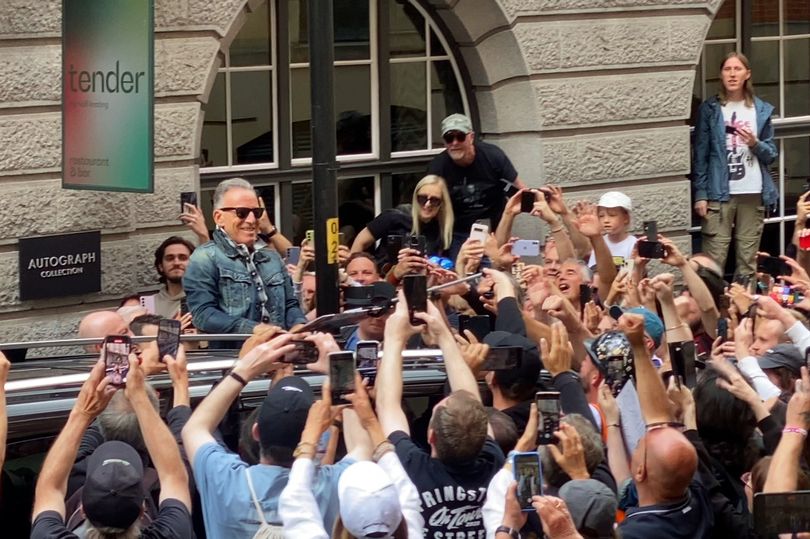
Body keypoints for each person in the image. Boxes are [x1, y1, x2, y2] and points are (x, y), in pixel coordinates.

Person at [181, 331, 366, 536]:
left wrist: (244, 368)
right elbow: (363, 447)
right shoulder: (337, 484)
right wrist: (339, 367)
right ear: (318, 436)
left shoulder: (225, 479)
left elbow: (194, 428)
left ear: (256, 432)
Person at [375, 291, 505, 537]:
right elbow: (469, 398)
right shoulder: (493, 464)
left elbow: (387, 405)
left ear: (431, 436)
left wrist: (393, 338)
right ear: (484, 436)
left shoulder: (414, 468)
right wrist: (444, 336)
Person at [31, 355, 193, 539]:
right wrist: (139, 397)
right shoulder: (172, 534)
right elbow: (173, 475)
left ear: (82, 509)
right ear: (142, 510)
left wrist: (82, 413)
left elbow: (49, 488)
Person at [182, 178, 306, 335]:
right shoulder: (204, 258)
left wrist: (299, 325)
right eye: (242, 213)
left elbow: (291, 304)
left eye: (257, 212)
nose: (252, 220)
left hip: (279, 352)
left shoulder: (271, 257)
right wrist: (254, 329)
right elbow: (203, 315)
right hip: (234, 356)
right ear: (219, 217)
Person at [693, 51, 778, 278]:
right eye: (727, 69)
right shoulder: (710, 110)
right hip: (719, 195)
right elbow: (700, 154)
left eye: (737, 69)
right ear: (721, 75)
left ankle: (744, 312)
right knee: (713, 263)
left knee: (747, 262)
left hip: (753, 192)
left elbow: (771, 155)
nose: (732, 74)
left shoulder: (760, 110)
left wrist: (754, 143)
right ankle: (713, 311)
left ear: (747, 74)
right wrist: (700, 194)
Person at [428, 113, 526, 259]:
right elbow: (428, 204)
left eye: (460, 136)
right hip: (458, 232)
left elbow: (520, 189)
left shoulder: (492, 156)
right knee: (463, 274)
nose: (454, 143)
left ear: (471, 137)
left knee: (497, 270)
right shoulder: (438, 167)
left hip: (494, 230)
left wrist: (535, 202)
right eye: (449, 138)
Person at [588, 191, 637, 268]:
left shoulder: (633, 244)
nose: (606, 220)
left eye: (612, 215)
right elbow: (592, 269)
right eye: (601, 216)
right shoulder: (600, 243)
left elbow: (630, 271)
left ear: (626, 218)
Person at [152, 236, 195, 318]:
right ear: (161, 266)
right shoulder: (149, 305)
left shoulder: (205, 300)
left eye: (183, 258)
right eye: (170, 258)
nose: (176, 262)